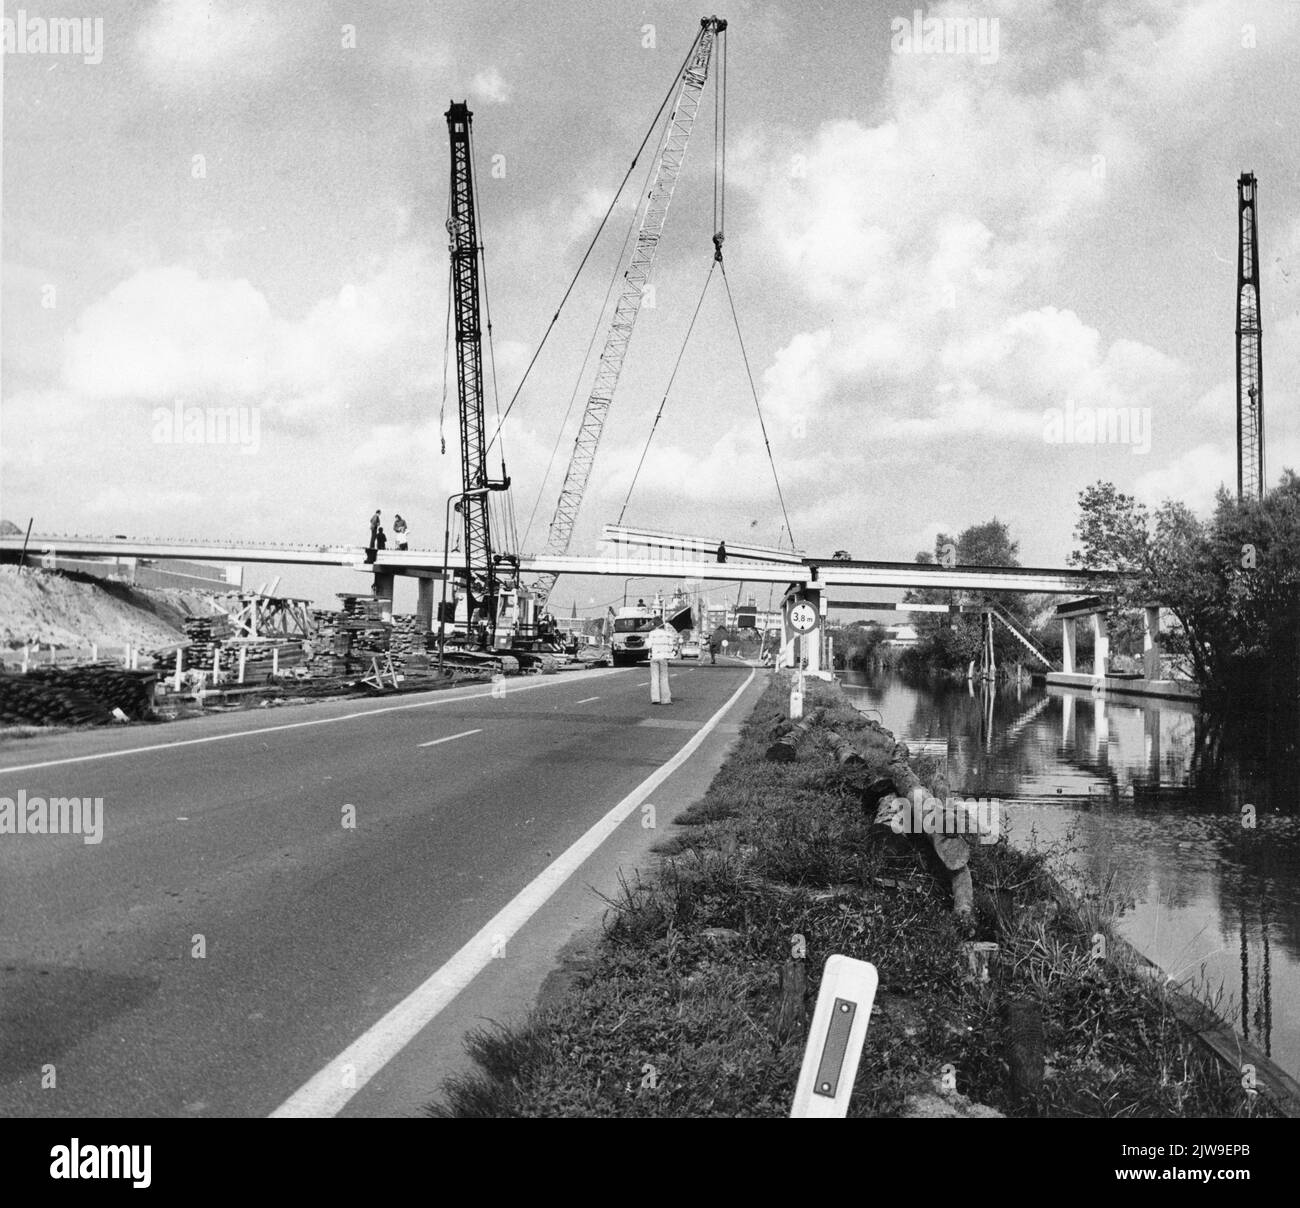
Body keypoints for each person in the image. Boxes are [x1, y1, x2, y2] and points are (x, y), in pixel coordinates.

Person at [648, 619, 676, 705]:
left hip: (654, 657)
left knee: (654, 678)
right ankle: (666, 699)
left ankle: (655, 698)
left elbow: (649, 646)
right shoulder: (668, 635)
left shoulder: (651, 633)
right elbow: (671, 647)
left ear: (655, 625)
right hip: (663, 658)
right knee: (664, 678)